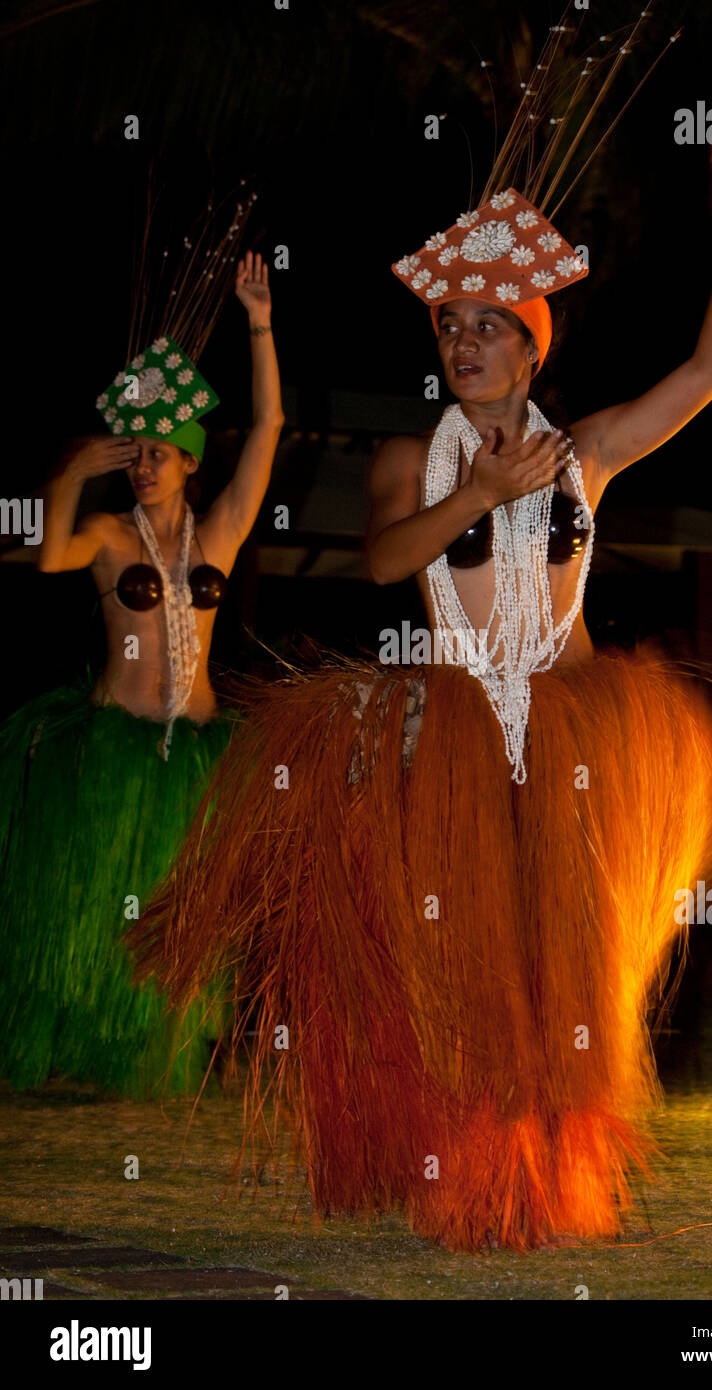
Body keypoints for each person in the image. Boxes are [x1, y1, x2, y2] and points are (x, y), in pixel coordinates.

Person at [131, 130, 712, 1250]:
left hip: (566, 735)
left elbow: (707, 372)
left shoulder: (584, 455)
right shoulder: (404, 460)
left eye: (486, 330)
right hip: (454, 739)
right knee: (459, 965)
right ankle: (451, 1162)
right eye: (450, 329)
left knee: (554, 972)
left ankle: (543, 1172)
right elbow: (381, 561)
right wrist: (470, 493)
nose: (463, 345)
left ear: (529, 349)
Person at [0, 251, 284, 1098]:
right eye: (136, 454)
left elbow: (268, 428)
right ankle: (77, 1050)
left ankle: (152, 1050)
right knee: (96, 905)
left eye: (162, 452)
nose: (146, 465)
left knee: (175, 908)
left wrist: (259, 324)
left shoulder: (221, 534)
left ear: (193, 459)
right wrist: (71, 476)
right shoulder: (110, 537)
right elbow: (51, 557)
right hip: (115, 744)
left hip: (195, 749)